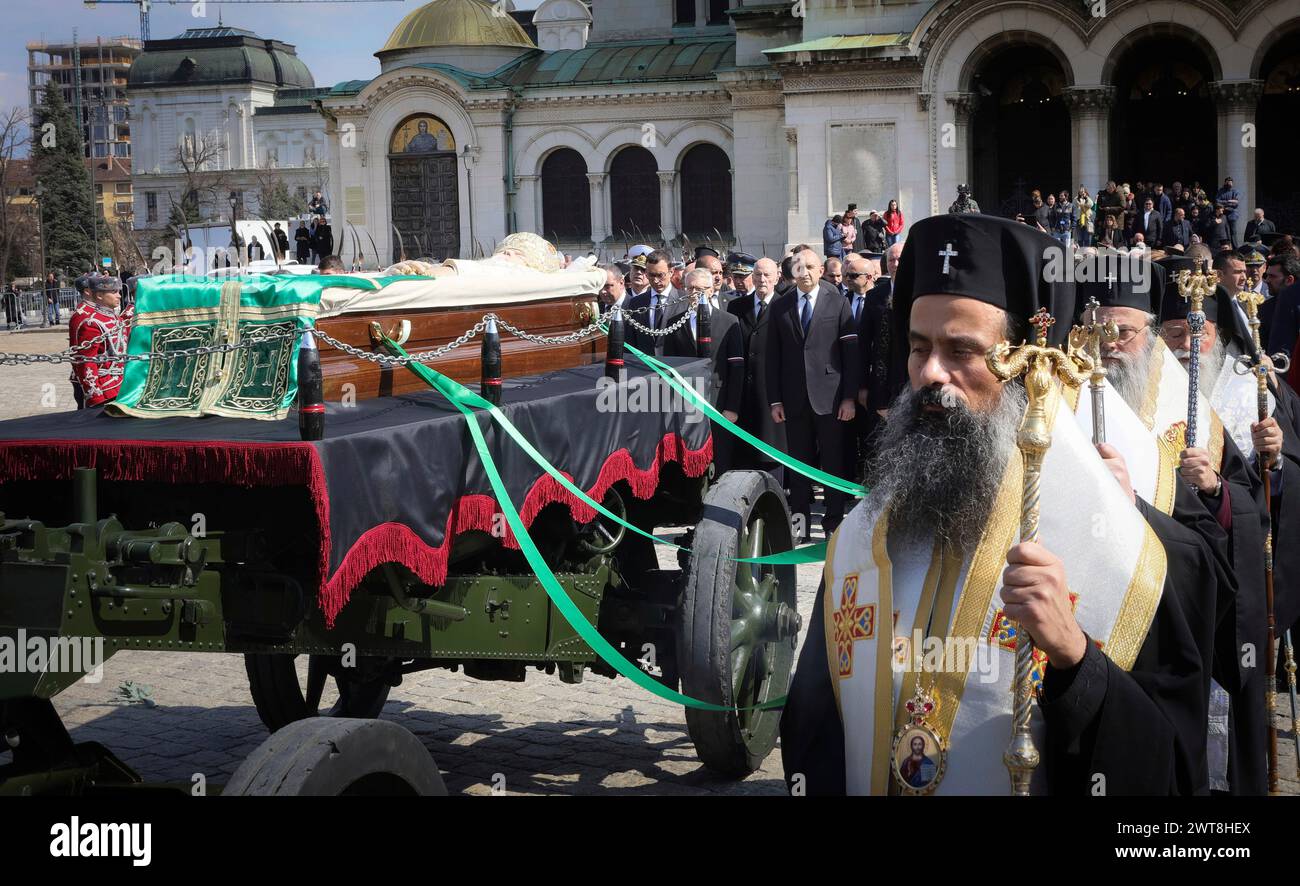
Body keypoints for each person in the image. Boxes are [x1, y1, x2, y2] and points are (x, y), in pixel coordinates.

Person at [781, 213, 1220, 796]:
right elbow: (816, 725)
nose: (932, 374)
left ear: (1026, 370)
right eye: (919, 349)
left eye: (963, 351)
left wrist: (1075, 660)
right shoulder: (862, 540)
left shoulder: (1123, 556)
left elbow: (1167, 765)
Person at [766, 245, 859, 539]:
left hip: (830, 399)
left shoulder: (837, 301)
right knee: (799, 466)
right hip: (793, 399)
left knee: (832, 464)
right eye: (798, 267)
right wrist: (775, 399)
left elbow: (850, 354)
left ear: (821, 271)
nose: (804, 272)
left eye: (810, 267)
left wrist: (849, 397)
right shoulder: (780, 305)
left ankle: (832, 525)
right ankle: (799, 527)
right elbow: (773, 356)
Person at [662, 268, 744, 473]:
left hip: (720, 403)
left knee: (722, 459)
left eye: (700, 289)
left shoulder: (729, 321)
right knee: (691, 461)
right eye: (690, 288)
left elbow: (737, 368)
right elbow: (669, 367)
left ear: (710, 290)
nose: (694, 294)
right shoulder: (674, 324)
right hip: (686, 405)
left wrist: (732, 407)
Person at [728, 256, 786, 478]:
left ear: (777, 277)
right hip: (742, 394)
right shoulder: (736, 307)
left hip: (771, 393)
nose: (762, 279)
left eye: (767, 274)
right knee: (743, 453)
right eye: (758, 274)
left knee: (771, 454)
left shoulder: (784, 306)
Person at [68, 275, 131, 409]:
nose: (119, 296)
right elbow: (86, 361)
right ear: (100, 296)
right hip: (105, 389)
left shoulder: (115, 318)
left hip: (120, 386)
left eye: (119, 292)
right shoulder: (91, 322)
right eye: (114, 292)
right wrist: (95, 397)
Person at [625, 249, 685, 358]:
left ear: (671, 272)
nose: (656, 280)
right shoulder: (636, 303)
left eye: (660, 275)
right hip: (644, 369)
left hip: (676, 368)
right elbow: (630, 342)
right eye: (651, 275)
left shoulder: (685, 301)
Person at [1215, 177, 1241, 247]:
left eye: (1231, 182)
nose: (1230, 184)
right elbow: (1217, 201)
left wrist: (1224, 203)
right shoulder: (1221, 191)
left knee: (1233, 232)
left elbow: (1236, 203)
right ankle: (1225, 247)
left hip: (1232, 215)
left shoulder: (1235, 191)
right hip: (1223, 214)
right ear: (1225, 182)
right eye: (1228, 182)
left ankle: (1235, 248)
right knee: (1224, 231)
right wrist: (1229, 201)